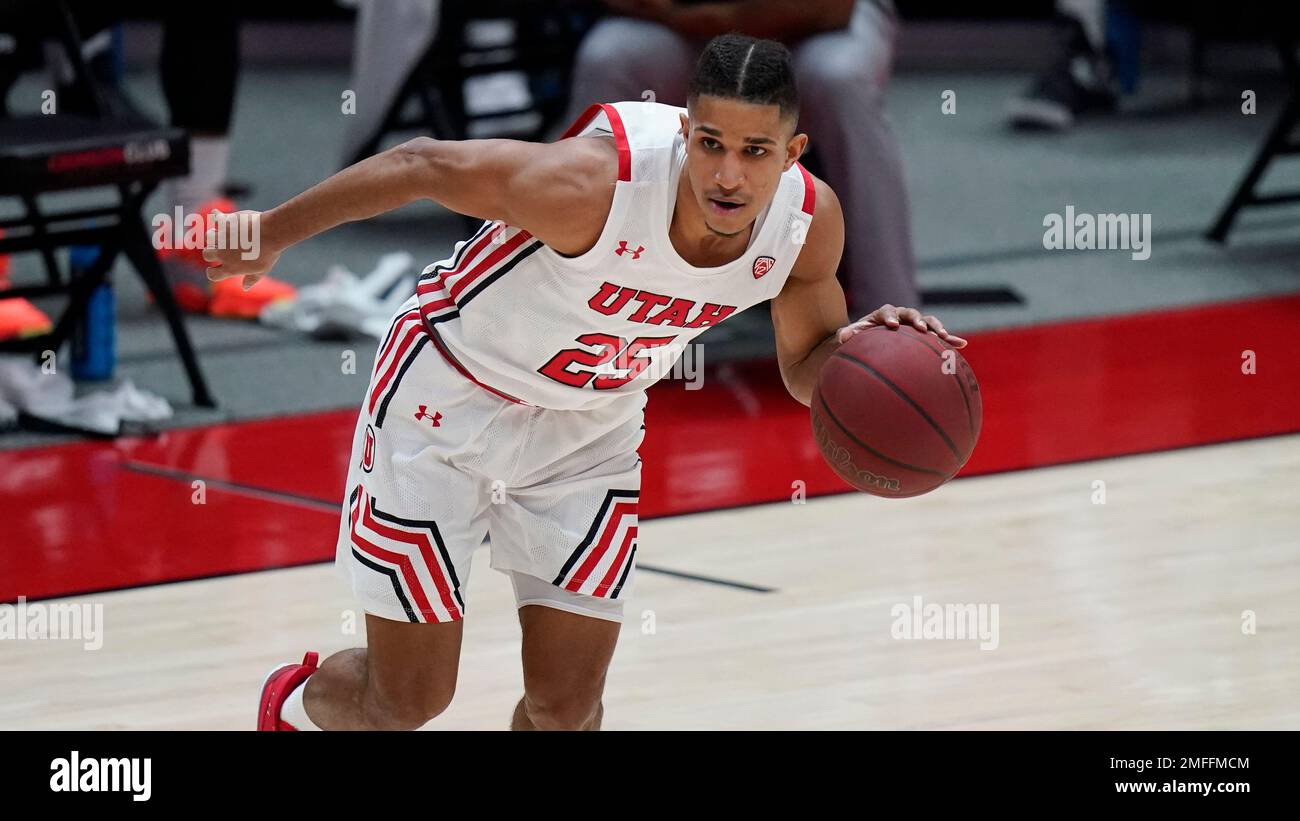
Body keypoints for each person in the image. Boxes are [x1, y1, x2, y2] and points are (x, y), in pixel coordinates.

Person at [208, 34, 965, 731]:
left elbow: (805, 369)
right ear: (683, 134)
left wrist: (864, 354)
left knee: (566, 706)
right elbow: (422, 165)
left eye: (755, 151)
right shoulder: (593, 187)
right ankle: (295, 710)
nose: (728, 174)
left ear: (793, 150)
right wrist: (267, 234)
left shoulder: (806, 223)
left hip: (589, 429)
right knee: (409, 699)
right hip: (448, 395)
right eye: (710, 144)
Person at [569, 0, 917, 315]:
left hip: (811, 26)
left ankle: (892, 321)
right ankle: (580, 290)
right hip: (683, 24)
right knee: (609, 58)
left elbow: (831, 8)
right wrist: (683, 15)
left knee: (841, 80)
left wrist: (726, 19)